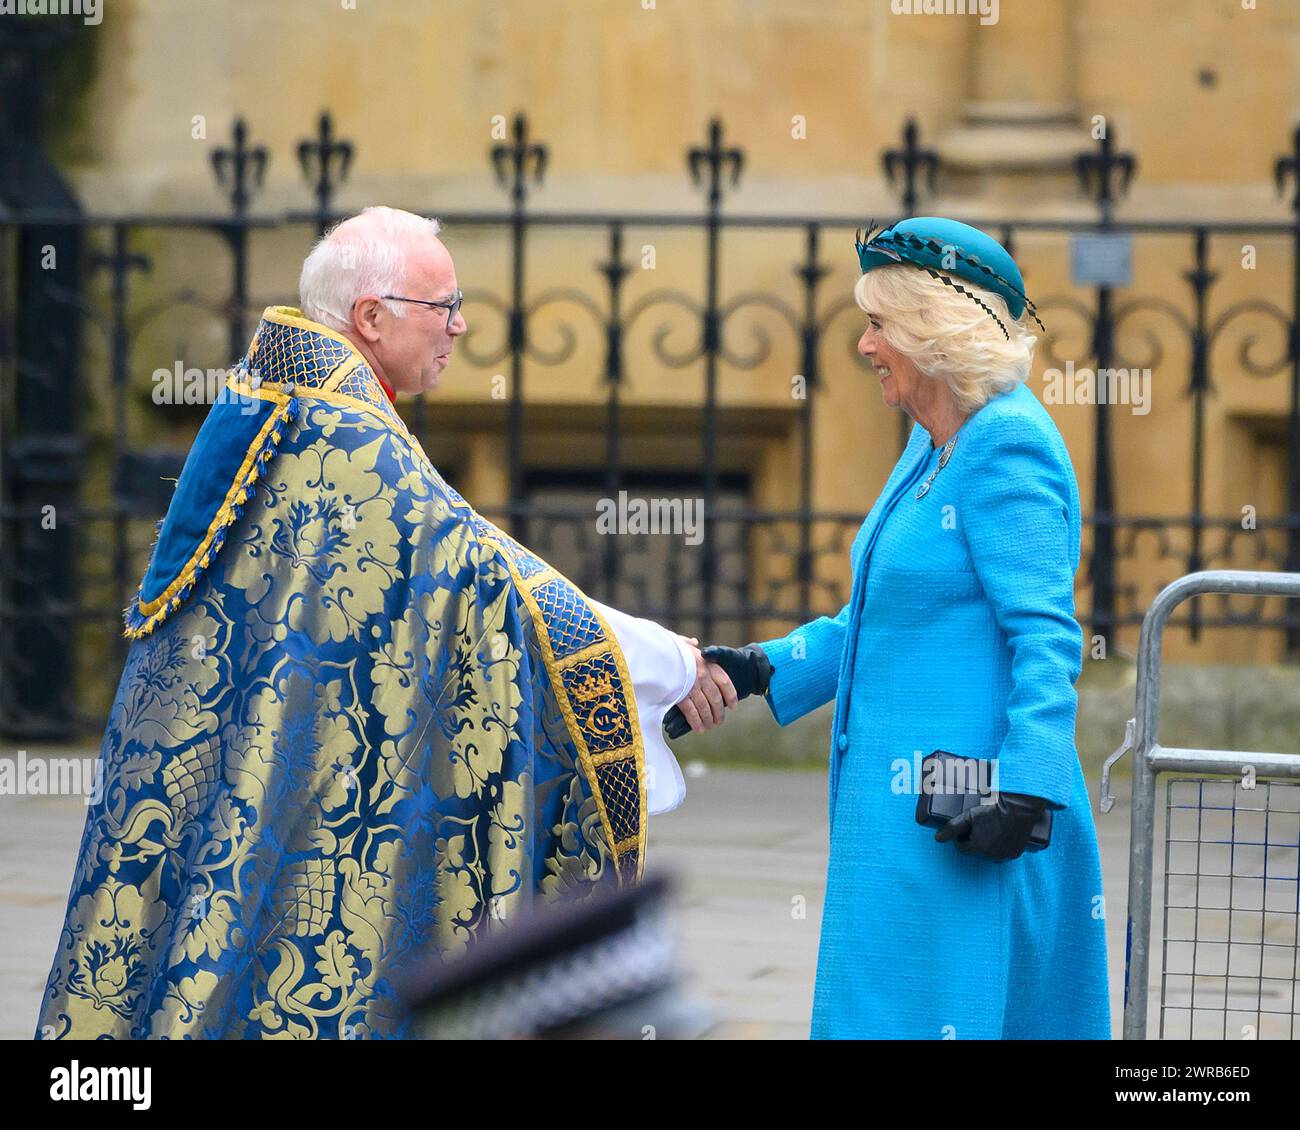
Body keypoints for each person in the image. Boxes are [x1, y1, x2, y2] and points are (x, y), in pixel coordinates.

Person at [34, 206, 734, 1040]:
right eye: (445, 305)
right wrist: (671, 666)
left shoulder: (279, 397)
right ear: (371, 316)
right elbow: (490, 579)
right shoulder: (348, 435)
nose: (462, 325)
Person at [698, 218, 1110, 1039]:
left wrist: (1025, 788)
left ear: (932, 330)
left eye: (879, 325)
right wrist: (759, 669)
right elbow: (880, 616)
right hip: (899, 819)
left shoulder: (1006, 446)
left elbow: (1047, 638)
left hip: (971, 818)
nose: (864, 346)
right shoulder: (935, 443)